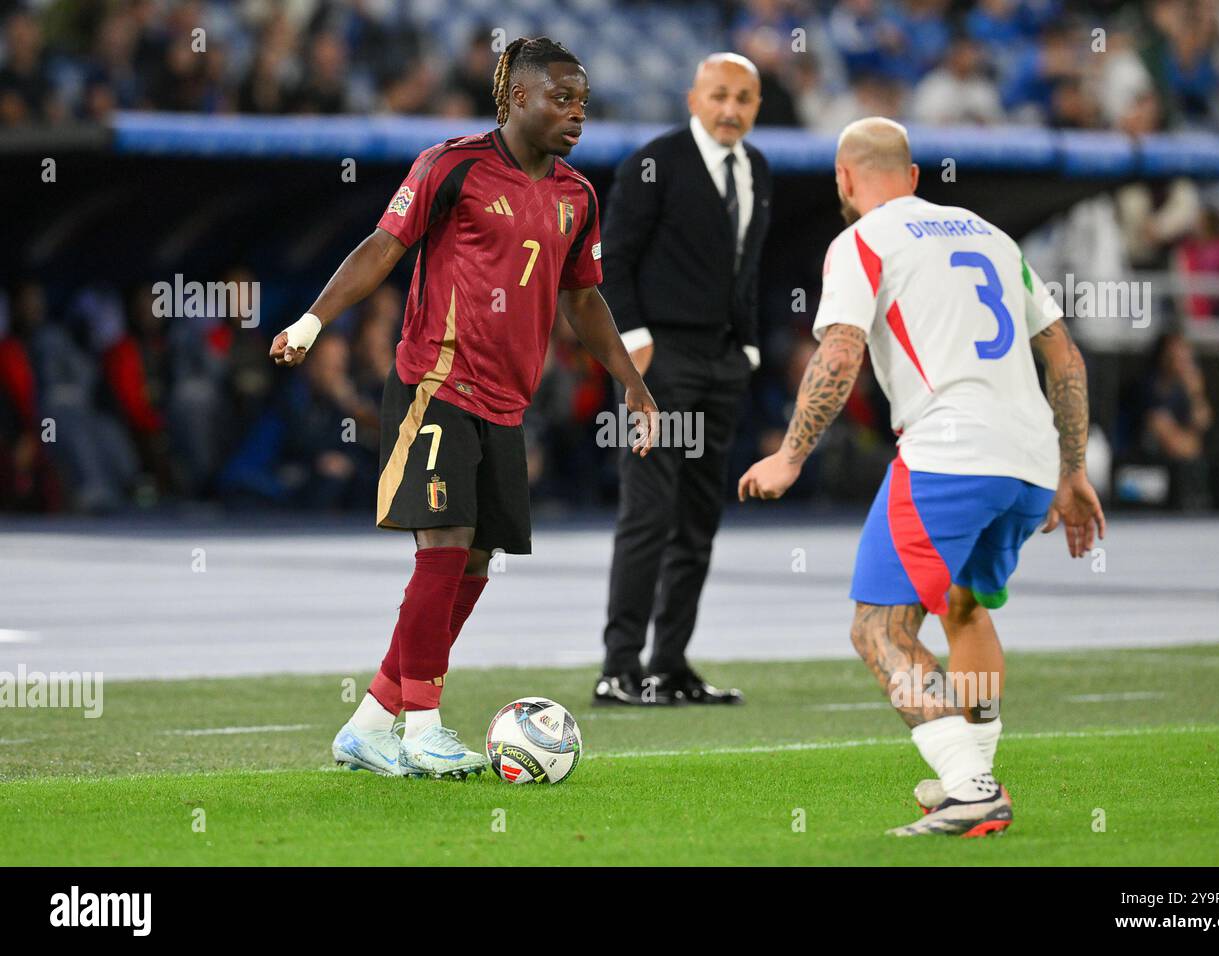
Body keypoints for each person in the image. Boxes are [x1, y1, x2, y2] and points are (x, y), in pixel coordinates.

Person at [269, 36, 657, 778]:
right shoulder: (452, 165)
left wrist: (630, 382)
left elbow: (583, 296)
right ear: (516, 99)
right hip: (435, 384)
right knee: (443, 550)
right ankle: (422, 728)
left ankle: (371, 720)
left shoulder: (579, 195)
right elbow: (382, 247)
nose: (577, 114)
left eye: (583, 102)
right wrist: (314, 321)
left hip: (508, 403)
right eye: (561, 99)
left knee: (473, 564)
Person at [738, 118, 1105, 837]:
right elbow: (1065, 357)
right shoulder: (991, 237)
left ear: (845, 180)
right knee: (965, 605)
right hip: (1029, 459)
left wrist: (790, 455)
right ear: (913, 177)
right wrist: (1072, 471)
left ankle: (973, 788)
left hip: (950, 453)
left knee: (878, 628)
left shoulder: (861, 241)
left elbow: (840, 352)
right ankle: (966, 772)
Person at [594, 53, 772, 706]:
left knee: (698, 517)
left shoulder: (757, 168)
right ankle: (618, 667)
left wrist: (747, 348)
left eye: (745, 98)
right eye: (720, 95)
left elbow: (746, 268)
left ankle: (668, 664)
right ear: (692, 98)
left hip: (721, 364)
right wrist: (636, 344)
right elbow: (610, 260)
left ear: (757, 105)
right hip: (657, 365)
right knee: (648, 512)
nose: (731, 109)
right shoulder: (653, 163)